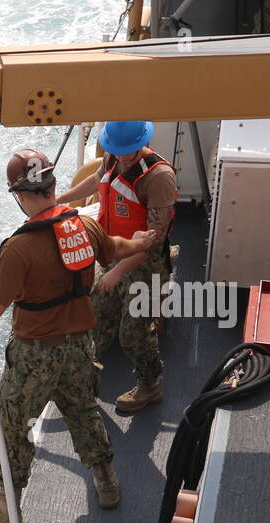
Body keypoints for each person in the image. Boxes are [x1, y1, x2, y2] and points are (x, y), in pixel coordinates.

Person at [0, 148, 157, 523]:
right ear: (54, 184)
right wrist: (141, 243)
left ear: (20, 195)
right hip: (79, 347)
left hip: (34, 355)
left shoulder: (19, 249)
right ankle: (106, 480)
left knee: (14, 424)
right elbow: (114, 249)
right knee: (84, 411)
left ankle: (8, 506)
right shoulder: (83, 226)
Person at [56, 121, 177, 414]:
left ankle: (150, 386)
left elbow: (153, 239)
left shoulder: (159, 178)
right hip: (112, 255)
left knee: (133, 333)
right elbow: (98, 180)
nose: (122, 157)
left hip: (144, 266)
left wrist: (117, 271)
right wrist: (61, 200)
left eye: (128, 152)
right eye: (117, 151)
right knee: (93, 319)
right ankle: (85, 382)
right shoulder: (112, 156)